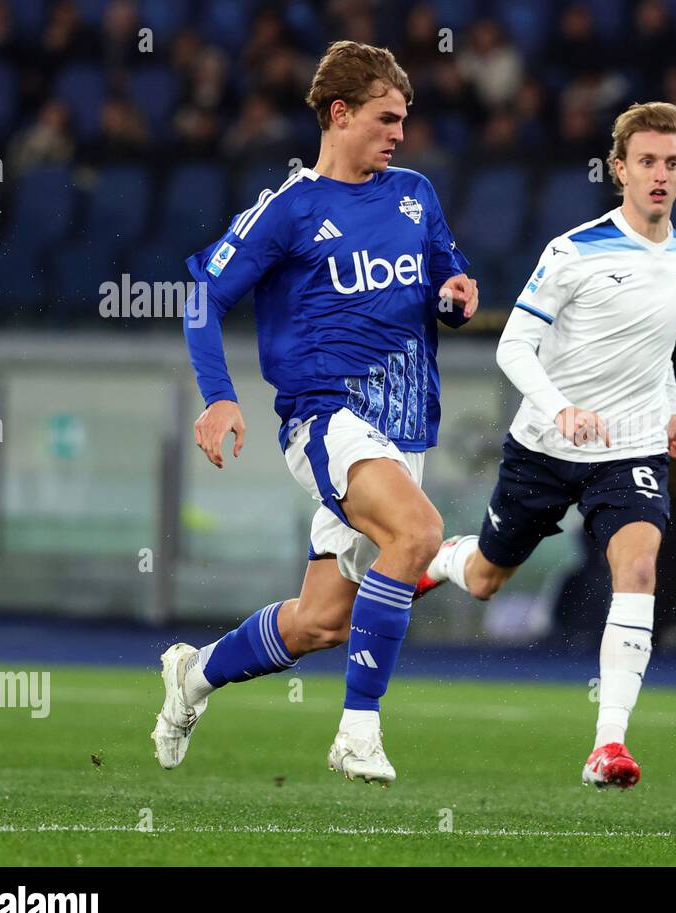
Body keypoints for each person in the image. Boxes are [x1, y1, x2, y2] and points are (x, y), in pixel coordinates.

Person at [151, 41, 479, 785]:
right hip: (325, 419)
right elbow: (204, 298)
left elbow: (441, 280)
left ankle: (193, 676)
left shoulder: (416, 194)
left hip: (403, 425)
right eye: (385, 118)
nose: (398, 132)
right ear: (339, 113)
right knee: (420, 530)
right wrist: (221, 396)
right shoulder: (289, 209)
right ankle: (357, 732)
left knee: (321, 621)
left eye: (405, 119)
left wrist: (456, 296)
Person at [419, 102, 676, 789]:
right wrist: (561, 408)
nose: (658, 175)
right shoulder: (573, 251)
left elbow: (652, 348)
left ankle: (609, 745)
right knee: (487, 578)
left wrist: (672, 410)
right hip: (546, 445)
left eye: (671, 162)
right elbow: (514, 345)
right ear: (619, 169)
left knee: (636, 571)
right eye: (646, 162)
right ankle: (441, 555)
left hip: (629, 448)